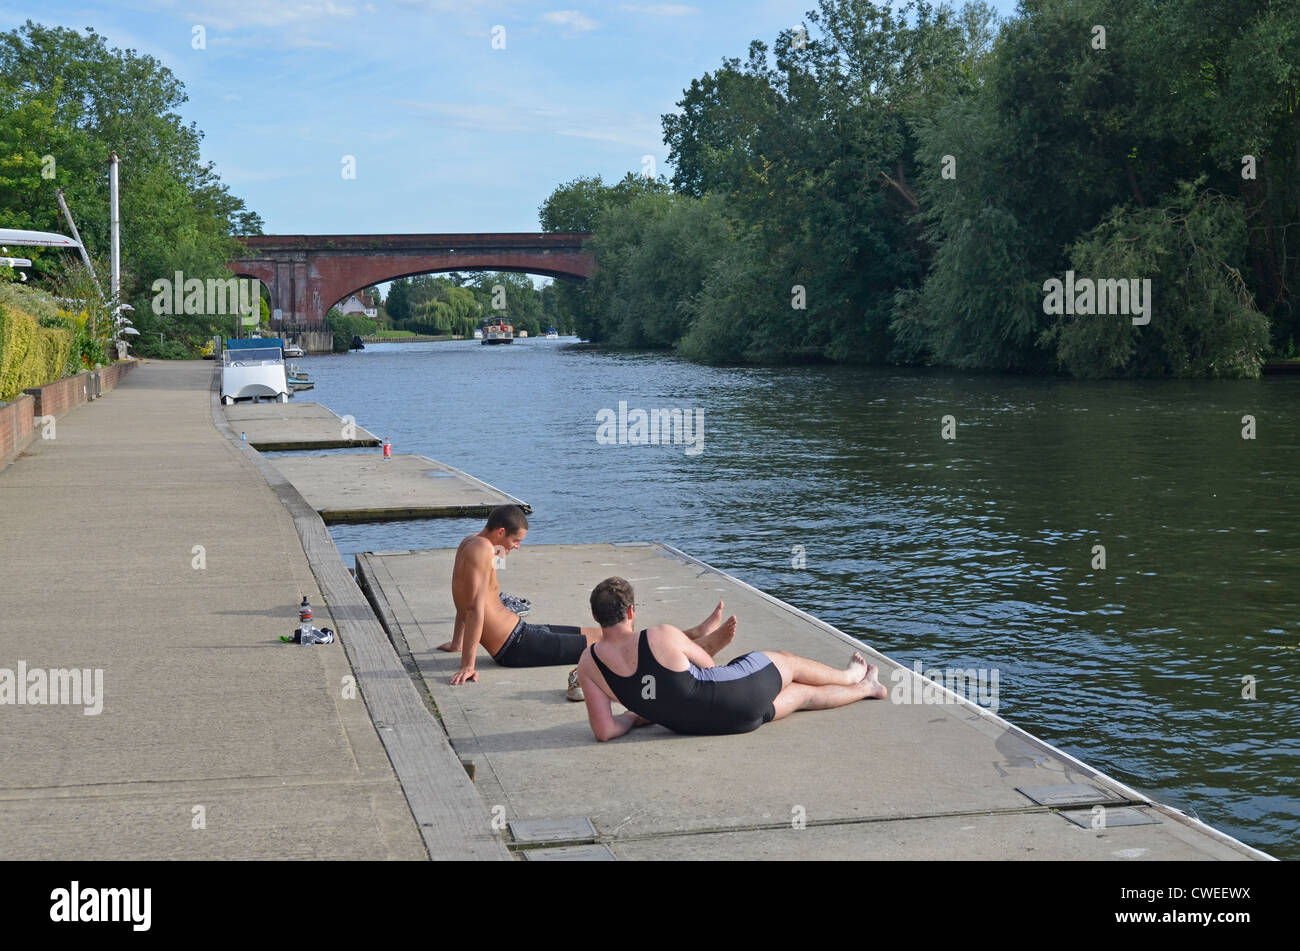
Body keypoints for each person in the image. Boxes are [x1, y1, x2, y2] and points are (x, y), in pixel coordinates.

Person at [439, 506, 734, 695]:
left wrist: (456, 642)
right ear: (500, 531)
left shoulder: (470, 542)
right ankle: (697, 645)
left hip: (522, 633)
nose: (516, 548)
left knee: (606, 633)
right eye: (516, 541)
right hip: (515, 647)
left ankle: (691, 636)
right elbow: (474, 608)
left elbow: (461, 600)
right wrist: (468, 664)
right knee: (615, 641)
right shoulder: (483, 549)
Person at [576, 577, 888, 741]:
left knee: (803, 696)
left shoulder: (589, 664)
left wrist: (633, 717)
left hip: (705, 724)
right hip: (735, 698)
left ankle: (867, 688)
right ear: (632, 611)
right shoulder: (660, 635)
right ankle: (850, 677)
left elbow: (604, 731)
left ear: (595, 616)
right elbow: (708, 666)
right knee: (787, 662)